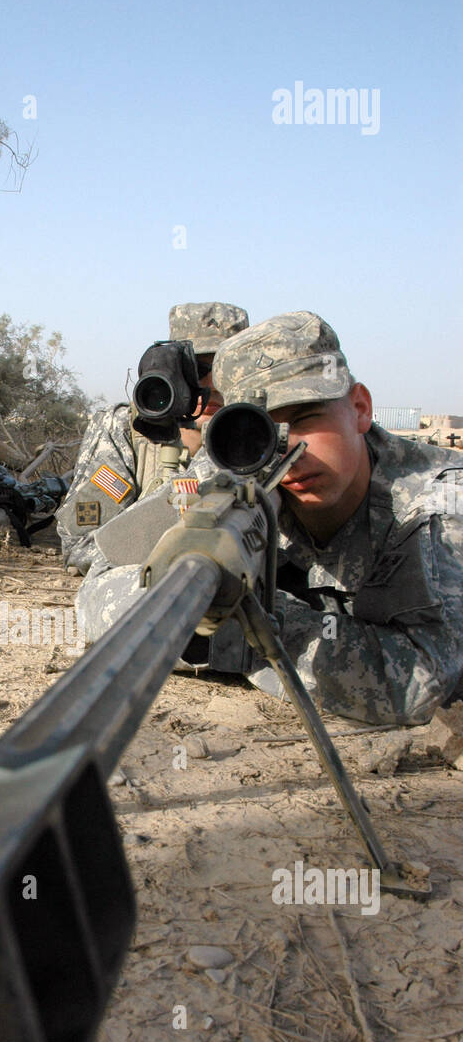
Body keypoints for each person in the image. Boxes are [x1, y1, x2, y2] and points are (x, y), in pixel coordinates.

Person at [75, 311, 463, 727]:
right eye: (261, 429)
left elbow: (423, 682)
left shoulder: (437, 504)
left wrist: (251, 624)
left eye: (305, 417)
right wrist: (190, 593)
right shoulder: (232, 465)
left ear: (360, 408)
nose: (288, 453)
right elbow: (97, 585)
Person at [56, 302, 249, 575]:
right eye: (199, 370)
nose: (213, 386)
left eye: (227, 370)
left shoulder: (261, 436)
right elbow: (80, 547)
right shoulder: (127, 428)